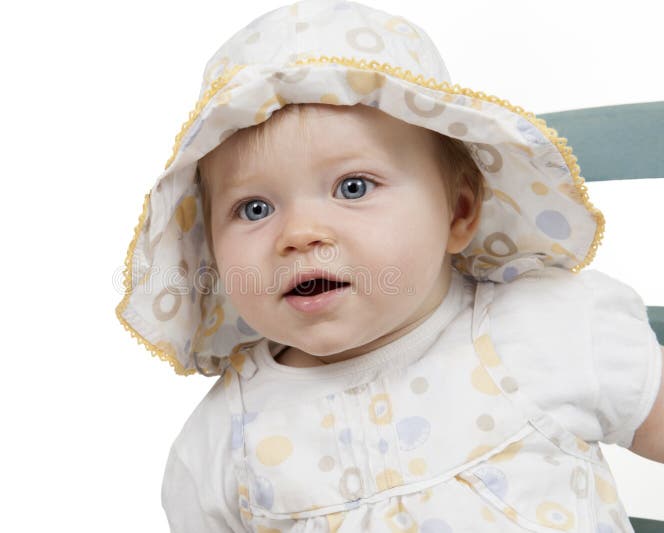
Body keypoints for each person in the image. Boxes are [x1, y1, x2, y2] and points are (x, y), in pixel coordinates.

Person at [115, 1, 664, 531]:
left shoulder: (552, 330)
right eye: (254, 208)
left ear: (459, 211)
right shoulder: (223, 444)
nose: (299, 234)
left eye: (353, 187)